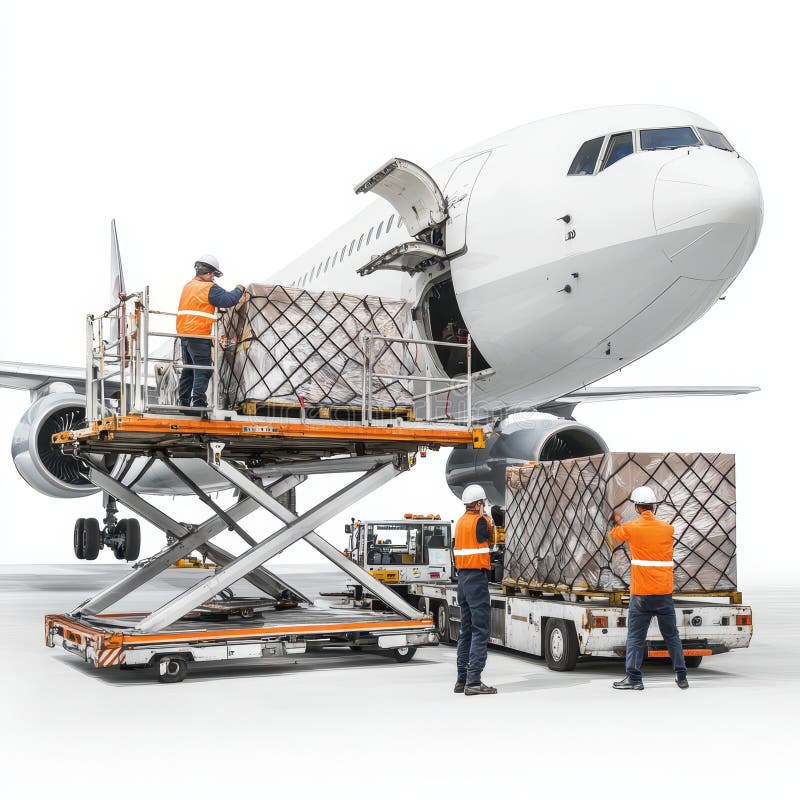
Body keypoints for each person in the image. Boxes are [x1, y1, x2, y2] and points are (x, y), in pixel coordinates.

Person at [609, 486, 688, 690]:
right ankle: (682, 677)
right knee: (672, 636)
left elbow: (615, 534)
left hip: (642, 594)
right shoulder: (667, 529)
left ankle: (634, 679)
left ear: (636, 507)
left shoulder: (632, 528)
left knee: (636, 637)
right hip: (664, 593)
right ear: (654, 506)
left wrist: (616, 520)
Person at [176, 255, 246, 411]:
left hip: (185, 336)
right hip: (199, 335)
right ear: (208, 272)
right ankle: (199, 404)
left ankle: (184, 404)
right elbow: (228, 300)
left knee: (188, 370)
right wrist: (239, 289)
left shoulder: (188, 286)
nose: (213, 277)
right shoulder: (209, 288)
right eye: (213, 274)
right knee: (203, 370)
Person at [453, 484, 497, 696]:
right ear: (479, 503)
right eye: (484, 503)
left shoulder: (461, 522)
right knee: (481, 630)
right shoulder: (480, 521)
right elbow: (489, 536)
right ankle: (474, 681)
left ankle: (462, 679)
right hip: (476, 578)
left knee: (466, 630)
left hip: (462, 578)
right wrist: (488, 518)